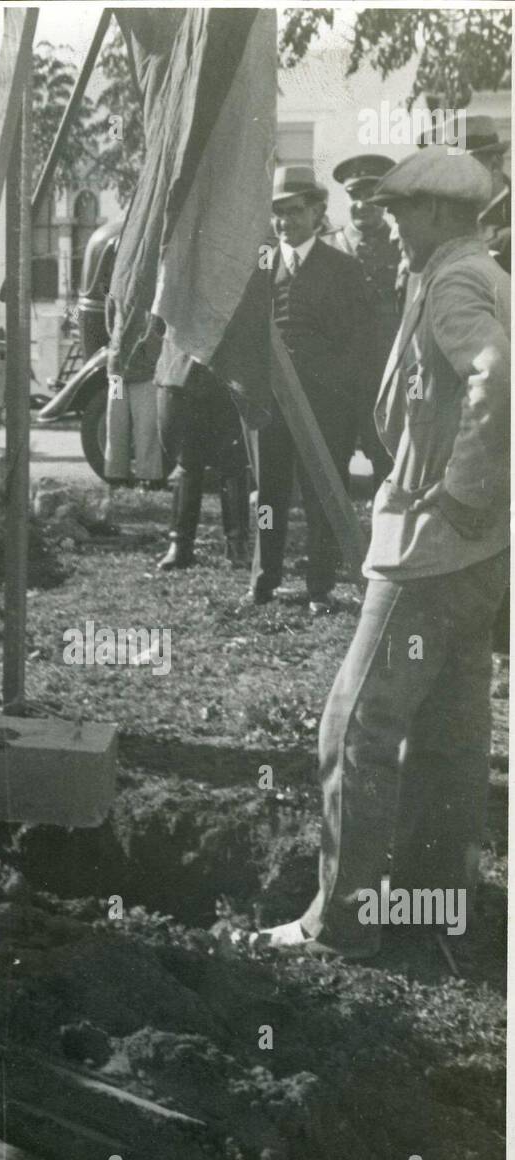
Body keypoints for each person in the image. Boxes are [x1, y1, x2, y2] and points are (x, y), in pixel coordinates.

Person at [255, 147, 509, 958]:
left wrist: (464, 491)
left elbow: (498, 377)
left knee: (355, 724)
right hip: (481, 553)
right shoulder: (487, 270)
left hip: (432, 552)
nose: (388, 226)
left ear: (438, 213)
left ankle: (343, 922)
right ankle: (436, 908)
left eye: (399, 212)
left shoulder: (455, 280)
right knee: (449, 731)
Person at [251, 165, 367, 612]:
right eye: (278, 213)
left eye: (294, 211)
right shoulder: (262, 263)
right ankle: (265, 580)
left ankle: (320, 586)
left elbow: (356, 343)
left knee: (323, 495)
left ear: (318, 211)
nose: (285, 222)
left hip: (326, 408)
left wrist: (336, 396)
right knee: (269, 496)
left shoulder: (343, 268)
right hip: (271, 407)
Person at [325, 154, 400, 490]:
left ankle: (387, 540)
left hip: (387, 380)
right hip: (338, 381)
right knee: (332, 465)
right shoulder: (328, 247)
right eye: (355, 195)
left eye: (371, 195)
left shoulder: (404, 246)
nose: (363, 204)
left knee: (390, 465)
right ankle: (328, 543)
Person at [154, 338, 252, 569]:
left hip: (229, 375)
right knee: (187, 463)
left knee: (234, 464)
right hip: (183, 374)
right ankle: (180, 544)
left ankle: (238, 545)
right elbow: (158, 322)